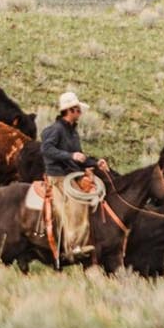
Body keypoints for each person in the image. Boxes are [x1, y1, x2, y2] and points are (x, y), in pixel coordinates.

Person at [40, 91, 107, 258]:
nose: (80, 113)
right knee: (77, 203)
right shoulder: (56, 129)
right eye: (78, 110)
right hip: (57, 176)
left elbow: (80, 156)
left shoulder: (72, 132)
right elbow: (46, 149)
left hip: (70, 175)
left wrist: (96, 162)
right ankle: (73, 245)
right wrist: (70, 156)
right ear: (70, 111)